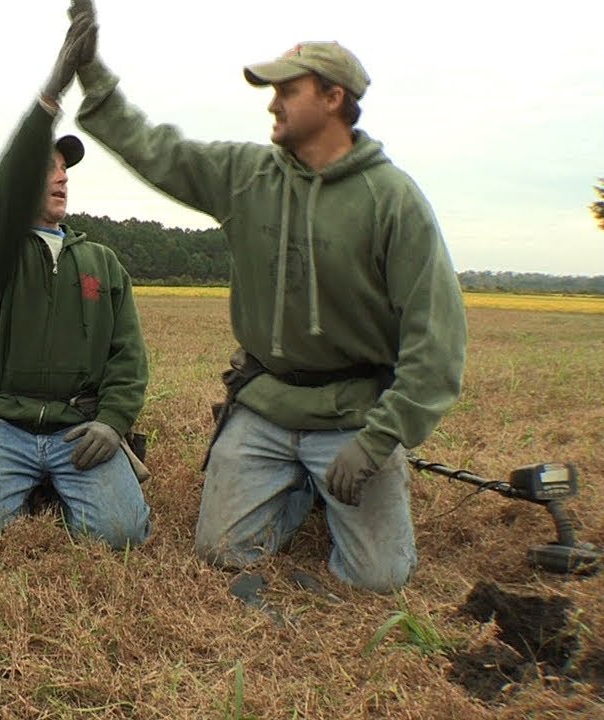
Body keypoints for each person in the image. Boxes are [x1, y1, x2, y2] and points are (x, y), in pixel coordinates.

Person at [69, 5, 467, 591]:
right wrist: (94, 77)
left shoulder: (393, 200)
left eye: (288, 89)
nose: (273, 103)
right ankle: (302, 487)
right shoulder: (247, 176)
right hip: (264, 403)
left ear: (333, 98)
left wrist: (378, 440)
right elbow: (159, 151)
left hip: (353, 416)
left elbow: (436, 345)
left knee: (378, 580)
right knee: (222, 551)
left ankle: (333, 485)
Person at [0, 11, 151, 549]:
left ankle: (62, 484)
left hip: (78, 428)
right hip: (3, 423)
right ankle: (26, 483)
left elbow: (127, 355)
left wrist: (113, 422)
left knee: (123, 534)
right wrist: (51, 94)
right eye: (47, 166)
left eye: (65, 168)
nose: (61, 175)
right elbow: (1, 195)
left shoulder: (104, 263)